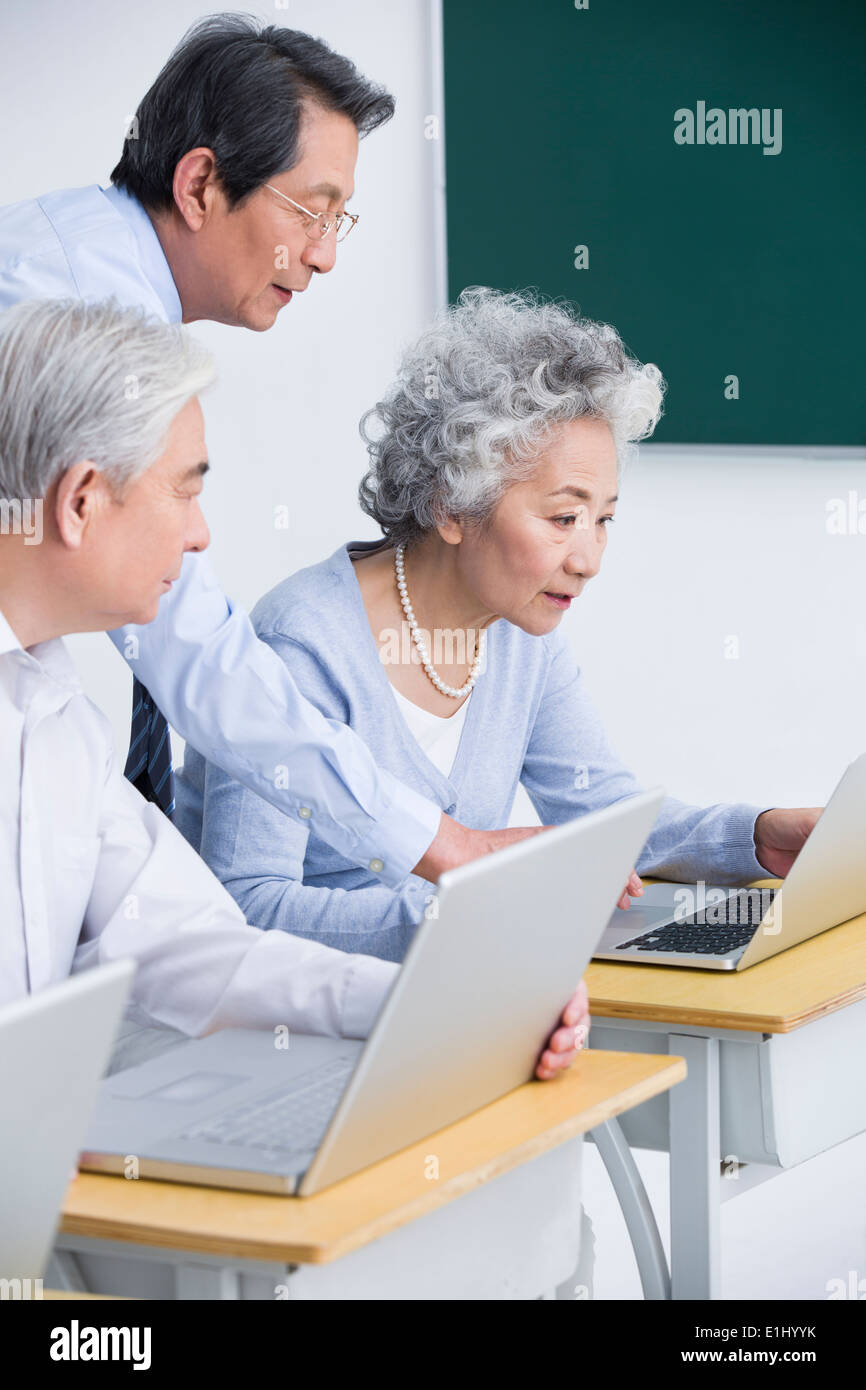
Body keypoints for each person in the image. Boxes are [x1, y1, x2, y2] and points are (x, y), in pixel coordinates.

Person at [0, 15, 538, 914]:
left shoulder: (89, 265)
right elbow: (195, 651)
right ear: (202, 182)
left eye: (341, 219)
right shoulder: (80, 309)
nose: (325, 254)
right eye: (311, 211)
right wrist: (435, 844)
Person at [0, 294, 585, 1081]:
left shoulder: (57, 719)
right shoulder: (305, 629)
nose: (200, 533)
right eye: (184, 489)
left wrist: (437, 1006)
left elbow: (193, 950)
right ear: (79, 503)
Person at [178, 287, 821, 963]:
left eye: (604, 520)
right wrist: (462, 911)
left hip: (450, 1003)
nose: (589, 559)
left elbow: (603, 815)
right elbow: (250, 903)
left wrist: (755, 835)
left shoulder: (518, 630)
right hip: (303, 1028)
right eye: (563, 519)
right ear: (453, 505)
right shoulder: (304, 642)